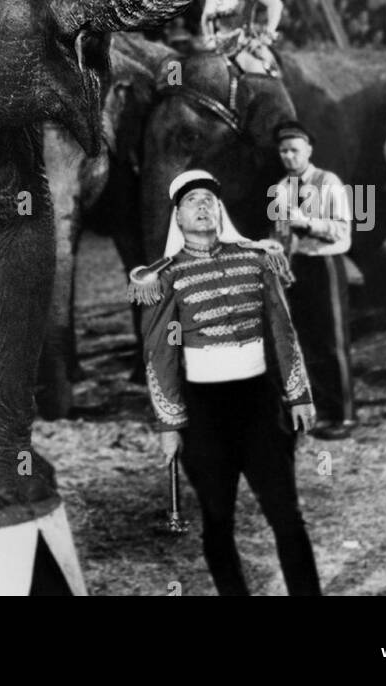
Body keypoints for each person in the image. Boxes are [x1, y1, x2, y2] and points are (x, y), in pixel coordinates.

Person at [130, 169, 321, 596]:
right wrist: (170, 426)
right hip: (205, 412)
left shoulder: (256, 258)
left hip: (260, 403)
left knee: (286, 514)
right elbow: (159, 355)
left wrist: (298, 394)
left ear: (220, 210)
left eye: (209, 200)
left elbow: (282, 329)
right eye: (191, 201)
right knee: (219, 520)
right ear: (177, 218)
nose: (202, 206)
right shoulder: (165, 276)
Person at [269, 121, 356, 439]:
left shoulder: (327, 182)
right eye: (283, 151)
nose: (289, 156)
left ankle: (345, 416)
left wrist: (307, 224)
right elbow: (278, 231)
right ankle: (322, 409)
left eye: (294, 150)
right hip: (298, 266)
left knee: (333, 340)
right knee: (307, 342)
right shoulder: (280, 188)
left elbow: (342, 230)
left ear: (308, 150)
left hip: (326, 263)